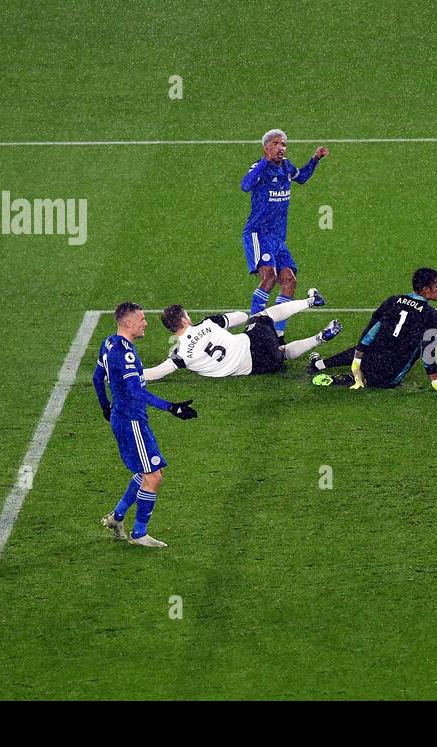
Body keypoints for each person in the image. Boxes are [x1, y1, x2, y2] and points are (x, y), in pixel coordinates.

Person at [92, 302, 198, 548]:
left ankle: (116, 518)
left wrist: (105, 407)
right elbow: (135, 390)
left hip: (126, 417)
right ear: (128, 323)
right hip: (131, 421)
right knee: (153, 476)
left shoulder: (109, 343)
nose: (145, 323)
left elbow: (98, 377)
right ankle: (139, 534)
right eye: (141, 319)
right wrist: (171, 407)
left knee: (146, 472)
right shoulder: (124, 352)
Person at [309, 267, 437, 392]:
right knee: (383, 367)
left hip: (370, 358)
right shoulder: (431, 315)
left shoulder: (393, 300)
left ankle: (320, 365)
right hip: (390, 377)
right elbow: (427, 354)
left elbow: (369, 334)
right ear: (425, 290)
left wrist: (356, 361)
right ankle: (354, 378)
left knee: (368, 347)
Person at [240, 129, 329, 339]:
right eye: (277, 144)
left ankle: (278, 335)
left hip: (279, 238)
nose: (281, 148)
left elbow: (303, 177)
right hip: (259, 233)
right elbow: (245, 185)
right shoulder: (260, 168)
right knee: (269, 278)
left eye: (283, 144)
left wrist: (315, 159)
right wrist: (264, 161)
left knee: (289, 281)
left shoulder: (287, 166)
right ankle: (254, 333)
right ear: (266, 147)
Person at [146, 288, 341, 381]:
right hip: (255, 343)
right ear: (184, 320)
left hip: (261, 366)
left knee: (281, 353)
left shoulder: (180, 355)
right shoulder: (208, 323)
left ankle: (320, 338)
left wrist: (120, 377)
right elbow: (241, 316)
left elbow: (155, 373)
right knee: (262, 316)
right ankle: (310, 302)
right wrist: (218, 323)